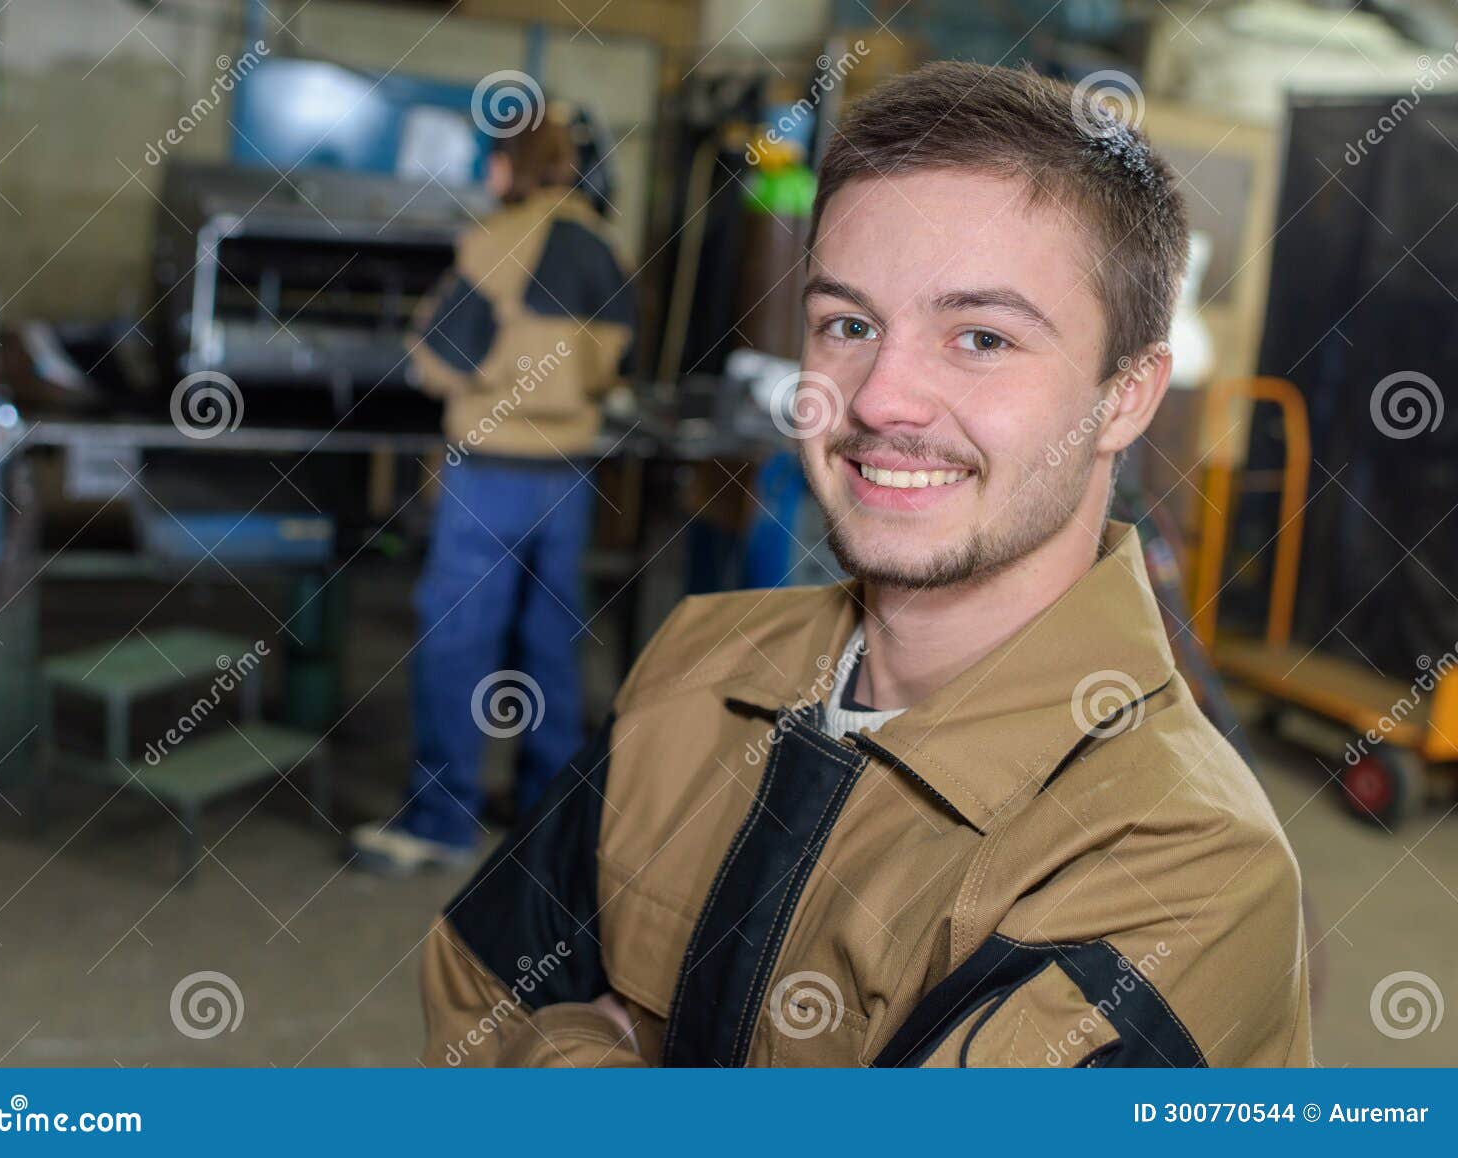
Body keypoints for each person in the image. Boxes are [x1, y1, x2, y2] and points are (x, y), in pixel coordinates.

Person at [419, 62, 1315, 1067]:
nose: (881, 397)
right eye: (847, 325)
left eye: (980, 336)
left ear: (1126, 396)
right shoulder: (700, 664)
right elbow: (472, 988)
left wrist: (578, 1045)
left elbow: (523, 1038)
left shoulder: (1182, 862)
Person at [349, 106, 635, 873]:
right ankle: (548, 818)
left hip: (492, 473)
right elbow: (613, 364)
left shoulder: (495, 244)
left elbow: (441, 359)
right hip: (569, 475)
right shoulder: (606, 247)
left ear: (506, 167)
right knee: (550, 642)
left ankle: (442, 822)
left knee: (457, 642)